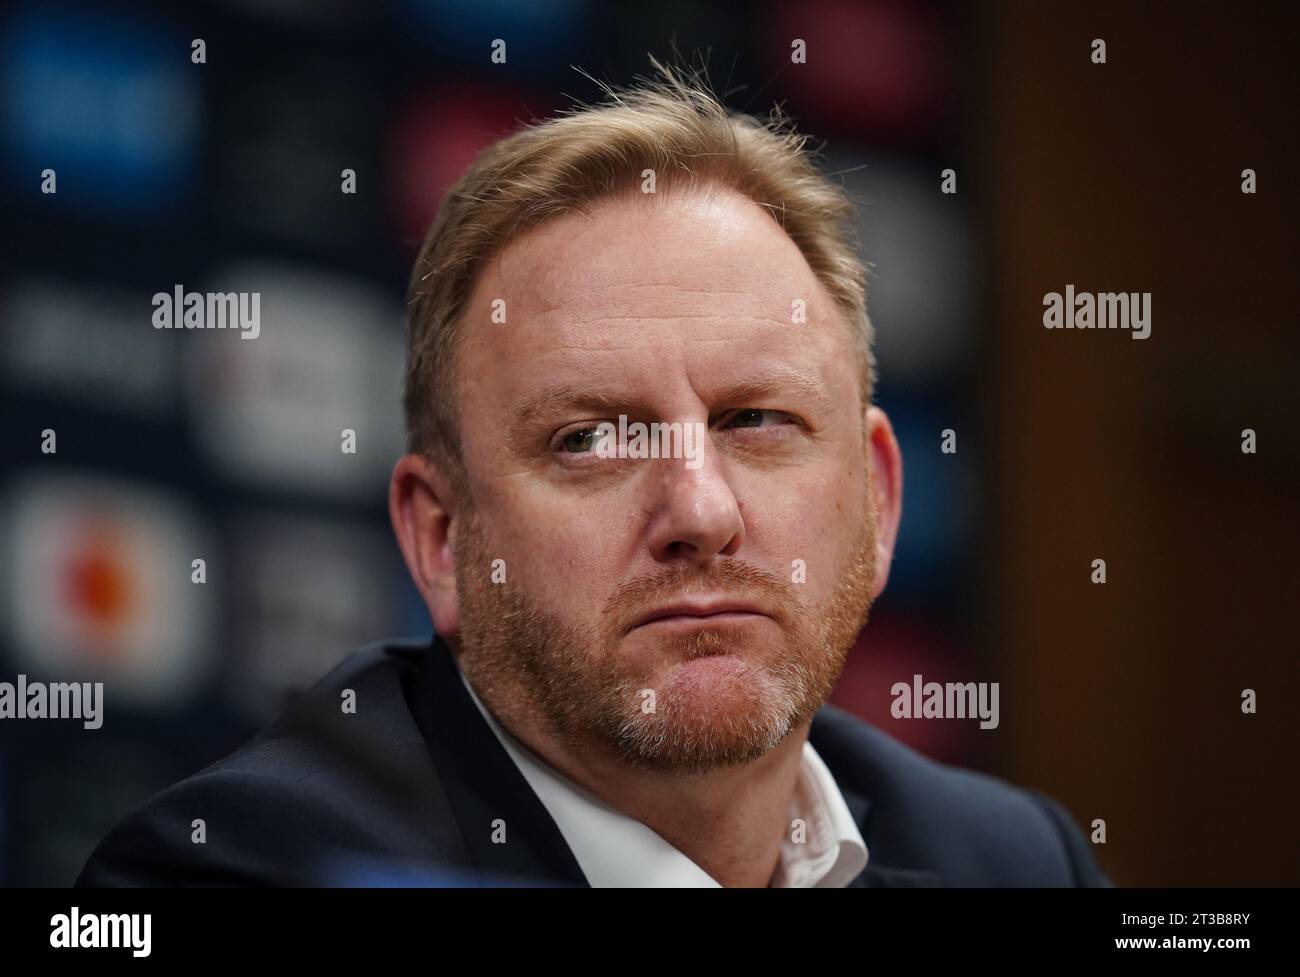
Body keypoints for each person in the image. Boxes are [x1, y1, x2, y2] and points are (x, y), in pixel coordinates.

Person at [78, 62, 1109, 888]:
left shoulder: (1010, 858)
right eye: (591, 439)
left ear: (880, 502)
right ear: (442, 541)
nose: (699, 510)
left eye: (757, 419)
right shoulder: (240, 867)